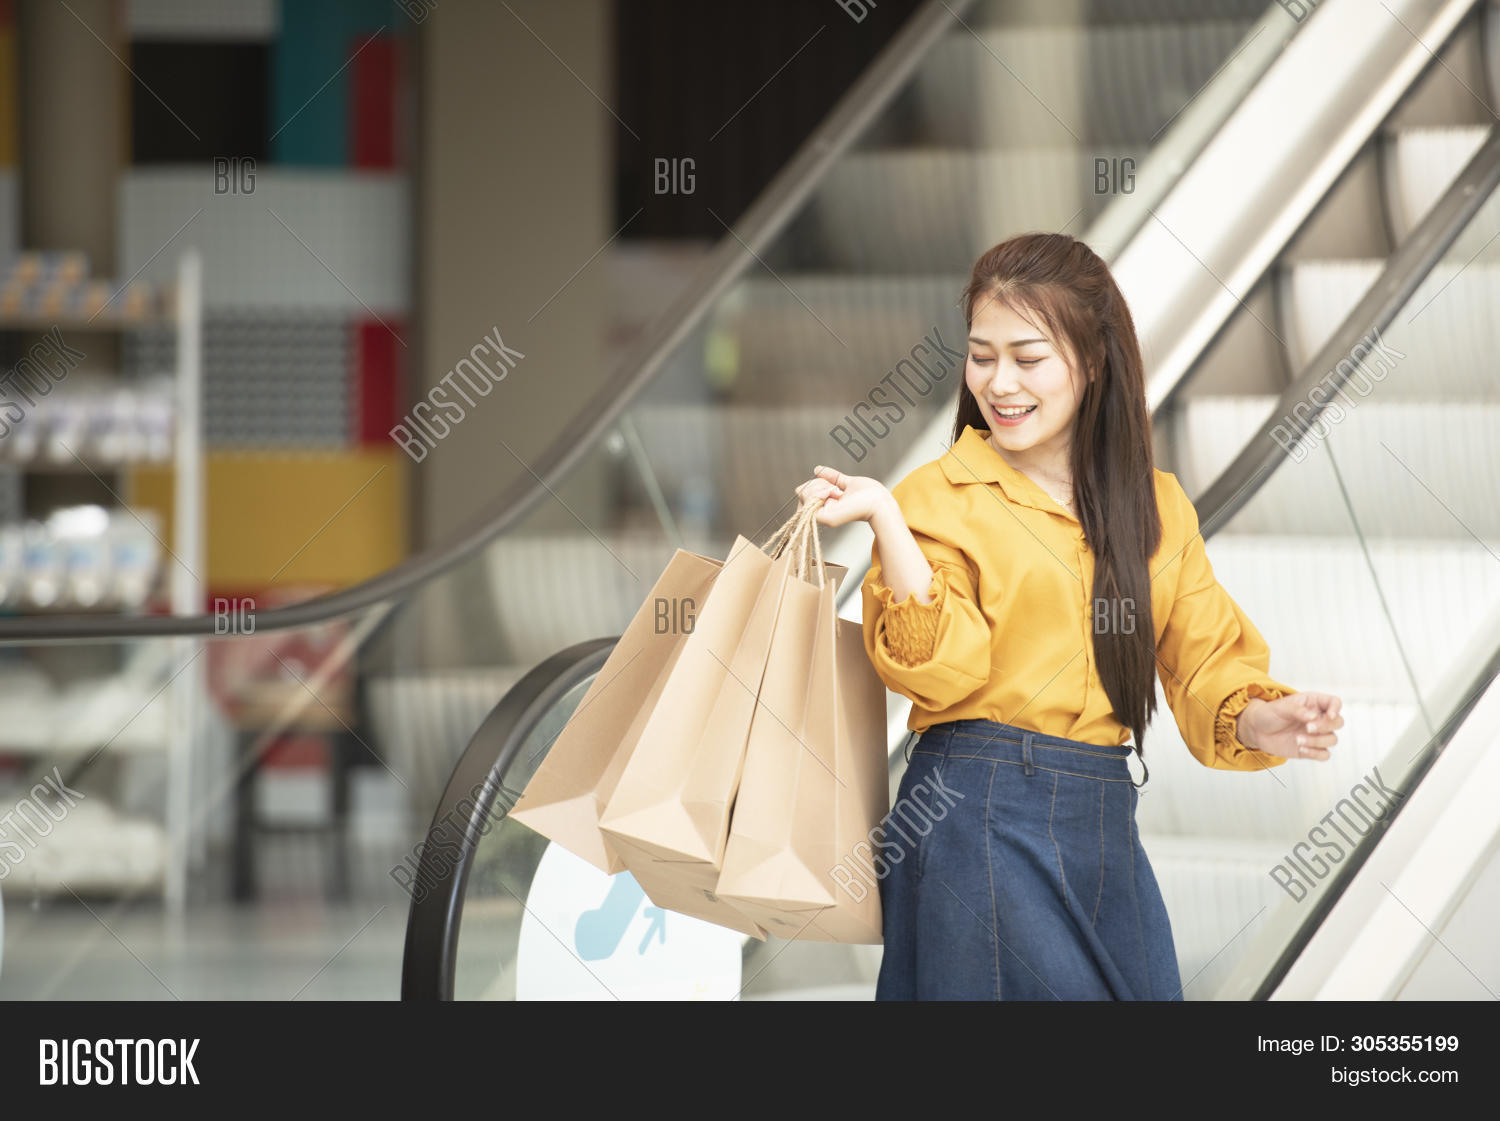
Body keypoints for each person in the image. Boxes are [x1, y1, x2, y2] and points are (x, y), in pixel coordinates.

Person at [792, 232, 1343, 1001]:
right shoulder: (936, 496)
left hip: (1103, 811)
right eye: (982, 355)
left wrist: (1259, 718)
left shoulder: (1156, 508)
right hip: (971, 809)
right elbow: (943, 674)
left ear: (1092, 360)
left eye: (1028, 356)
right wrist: (886, 520)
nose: (1000, 381)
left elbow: (1207, 660)